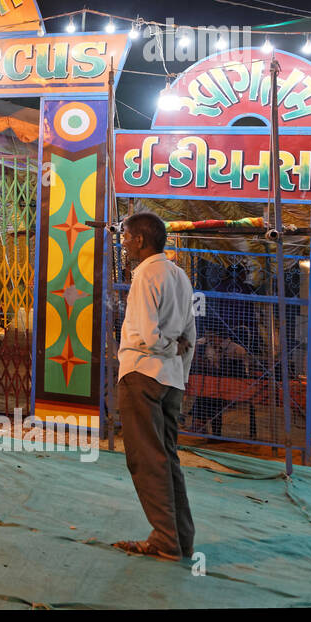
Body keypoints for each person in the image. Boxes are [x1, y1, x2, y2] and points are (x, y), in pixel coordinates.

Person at [114, 211, 197, 562]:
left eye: (127, 236)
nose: (123, 242)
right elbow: (190, 336)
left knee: (147, 460)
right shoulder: (179, 275)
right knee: (166, 457)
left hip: (143, 374)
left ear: (141, 241)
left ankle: (165, 540)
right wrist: (180, 372)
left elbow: (148, 336)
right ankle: (181, 538)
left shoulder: (146, 274)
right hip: (171, 379)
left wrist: (164, 348)